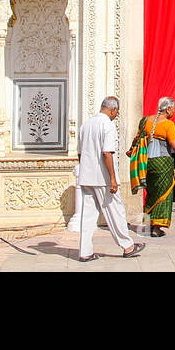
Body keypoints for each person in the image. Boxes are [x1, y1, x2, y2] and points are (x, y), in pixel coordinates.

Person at [74, 96, 144, 262]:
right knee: (115, 211)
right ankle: (127, 246)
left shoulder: (86, 124)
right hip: (103, 177)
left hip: (87, 176)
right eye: (116, 112)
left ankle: (85, 251)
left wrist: (85, 168)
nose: (115, 115)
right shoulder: (107, 125)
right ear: (113, 110)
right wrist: (112, 178)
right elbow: (107, 153)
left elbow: (80, 152)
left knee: (88, 215)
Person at [128, 97, 175, 236]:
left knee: (151, 193)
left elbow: (137, 138)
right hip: (163, 162)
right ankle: (157, 226)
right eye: (173, 108)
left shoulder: (145, 121)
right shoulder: (168, 125)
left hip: (146, 162)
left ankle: (147, 223)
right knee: (164, 194)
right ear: (168, 109)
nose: (174, 111)